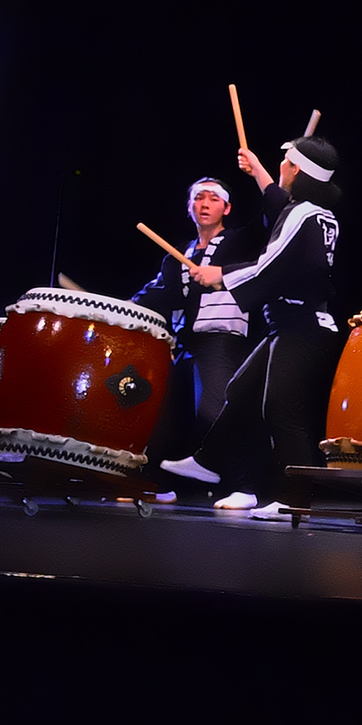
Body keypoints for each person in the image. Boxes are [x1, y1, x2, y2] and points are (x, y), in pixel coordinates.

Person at [160, 138, 344, 521]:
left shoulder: (303, 215)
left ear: (295, 169)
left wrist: (220, 276)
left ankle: (295, 499)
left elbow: (270, 268)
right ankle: (209, 461)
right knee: (239, 390)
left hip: (301, 324)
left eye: (284, 162)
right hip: (294, 322)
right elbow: (280, 205)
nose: (280, 167)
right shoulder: (316, 212)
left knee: (280, 409)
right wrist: (257, 168)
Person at [130, 178, 262, 503]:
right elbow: (157, 294)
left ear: (226, 208)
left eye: (213, 198)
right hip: (186, 342)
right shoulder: (177, 257)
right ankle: (157, 485)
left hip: (220, 339)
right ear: (190, 207)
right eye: (198, 198)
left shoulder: (241, 242)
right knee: (161, 411)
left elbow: (265, 249)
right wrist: (121, 308)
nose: (204, 203)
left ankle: (241, 487)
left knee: (214, 409)